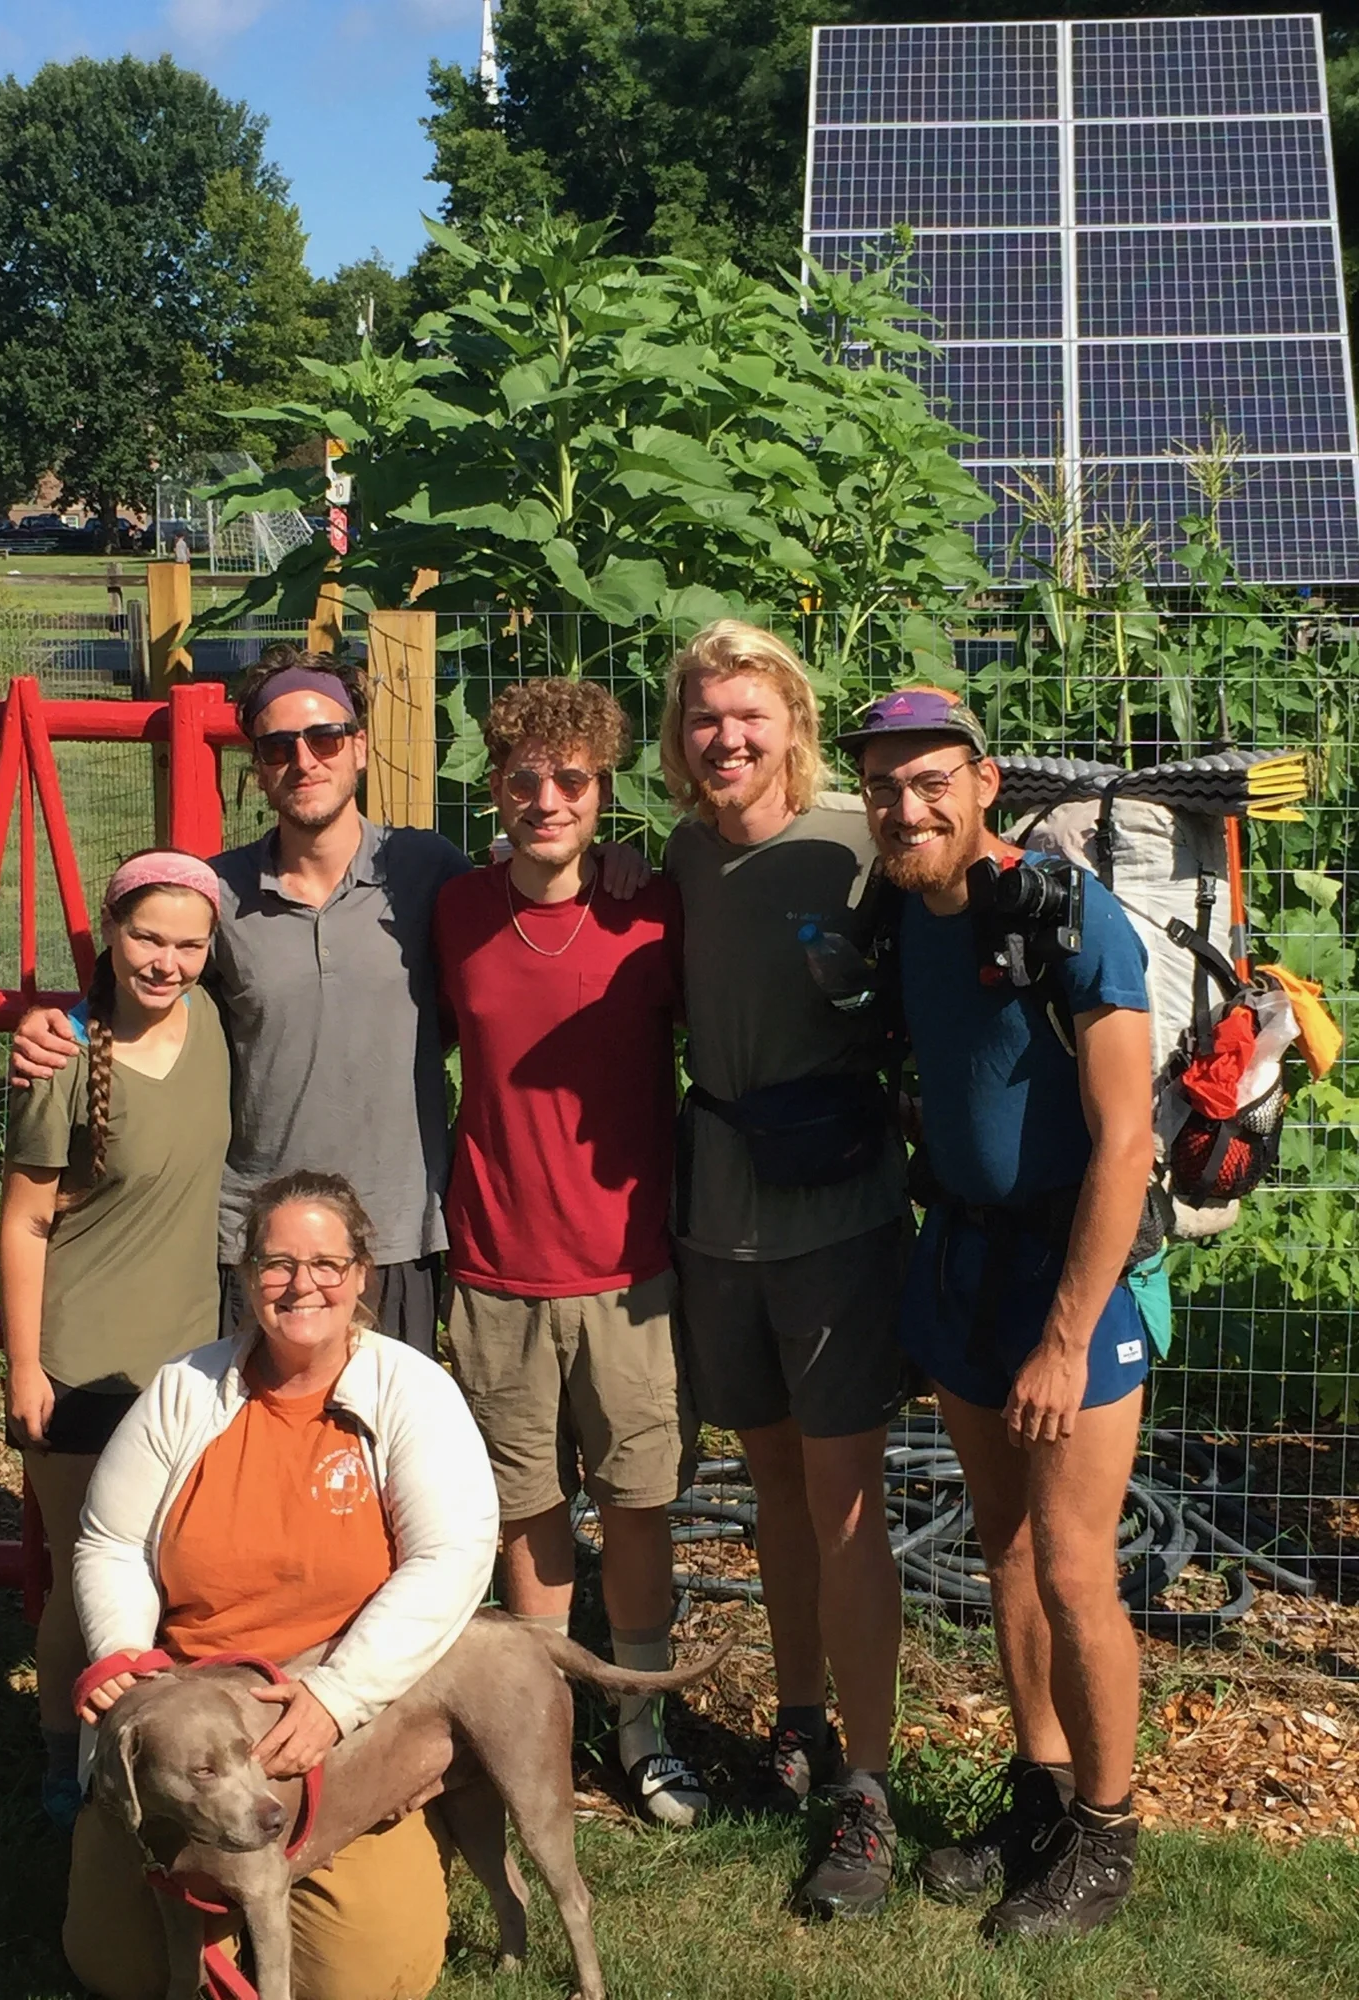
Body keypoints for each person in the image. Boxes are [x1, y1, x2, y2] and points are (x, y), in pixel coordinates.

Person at [12, 645, 648, 1354]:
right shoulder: (218, 895)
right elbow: (141, 985)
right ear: (258, 766)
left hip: (394, 1231)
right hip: (257, 1234)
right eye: (279, 746)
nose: (305, 760)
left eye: (325, 738)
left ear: (361, 749)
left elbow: (532, 886)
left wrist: (614, 861)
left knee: (379, 1452)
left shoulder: (426, 870)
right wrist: (60, 1023)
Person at [845, 685, 1156, 1941]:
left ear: (985, 782)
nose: (906, 806)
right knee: (1005, 1545)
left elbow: (1126, 1140)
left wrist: (1067, 1334)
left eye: (932, 782)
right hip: (961, 1261)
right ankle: (1036, 1790)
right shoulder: (912, 912)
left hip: (1065, 1278)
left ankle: (1108, 1829)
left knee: (1078, 1567)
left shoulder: (1074, 915)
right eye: (883, 786)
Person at [64, 1168, 499, 2000]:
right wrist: (125, 1655)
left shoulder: (412, 1390)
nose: (302, 1285)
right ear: (246, 1275)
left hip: (337, 1720)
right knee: (118, 1969)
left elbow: (454, 1554)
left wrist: (340, 1696)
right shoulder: (184, 1390)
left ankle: (395, 1826)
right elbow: (111, 1538)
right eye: (277, 1264)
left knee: (372, 1979)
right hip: (190, 1717)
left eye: (326, 1264)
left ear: (362, 1275)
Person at [658, 619, 913, 1917]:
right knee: (771, 1483)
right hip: (718, 1217)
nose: (728, 737)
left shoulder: (856, 842)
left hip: (836, 1216)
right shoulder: (684, 856)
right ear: (680, 734)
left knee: (845, 1493)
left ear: (793, 721)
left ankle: (868, 1781)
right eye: (705, 716)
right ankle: (800, 1721)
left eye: (749, 714)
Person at [434, 677, 706, 1827]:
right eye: (524, 779)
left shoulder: (655, 911)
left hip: (628, 1270)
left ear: (605, 791)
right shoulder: (453, 912)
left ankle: (641, 1722)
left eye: (572, 780)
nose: (547, 799)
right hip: (495, 1266)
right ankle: (539, 1720)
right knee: (528, 1508)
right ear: (495, 787)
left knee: (638, 1502)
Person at [0, 850, 227, 1830]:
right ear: (109, 930)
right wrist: (22, 1365)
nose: (167, 961)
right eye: (147, 936)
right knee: (85, 1579)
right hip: (81, 1363)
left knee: (176, 1568)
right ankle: (65, 1752)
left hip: (189, 1363)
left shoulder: (213, 1025)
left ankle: (162, 1749)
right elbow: (24, 1220)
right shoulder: (68, 1058)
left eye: (189, 942)